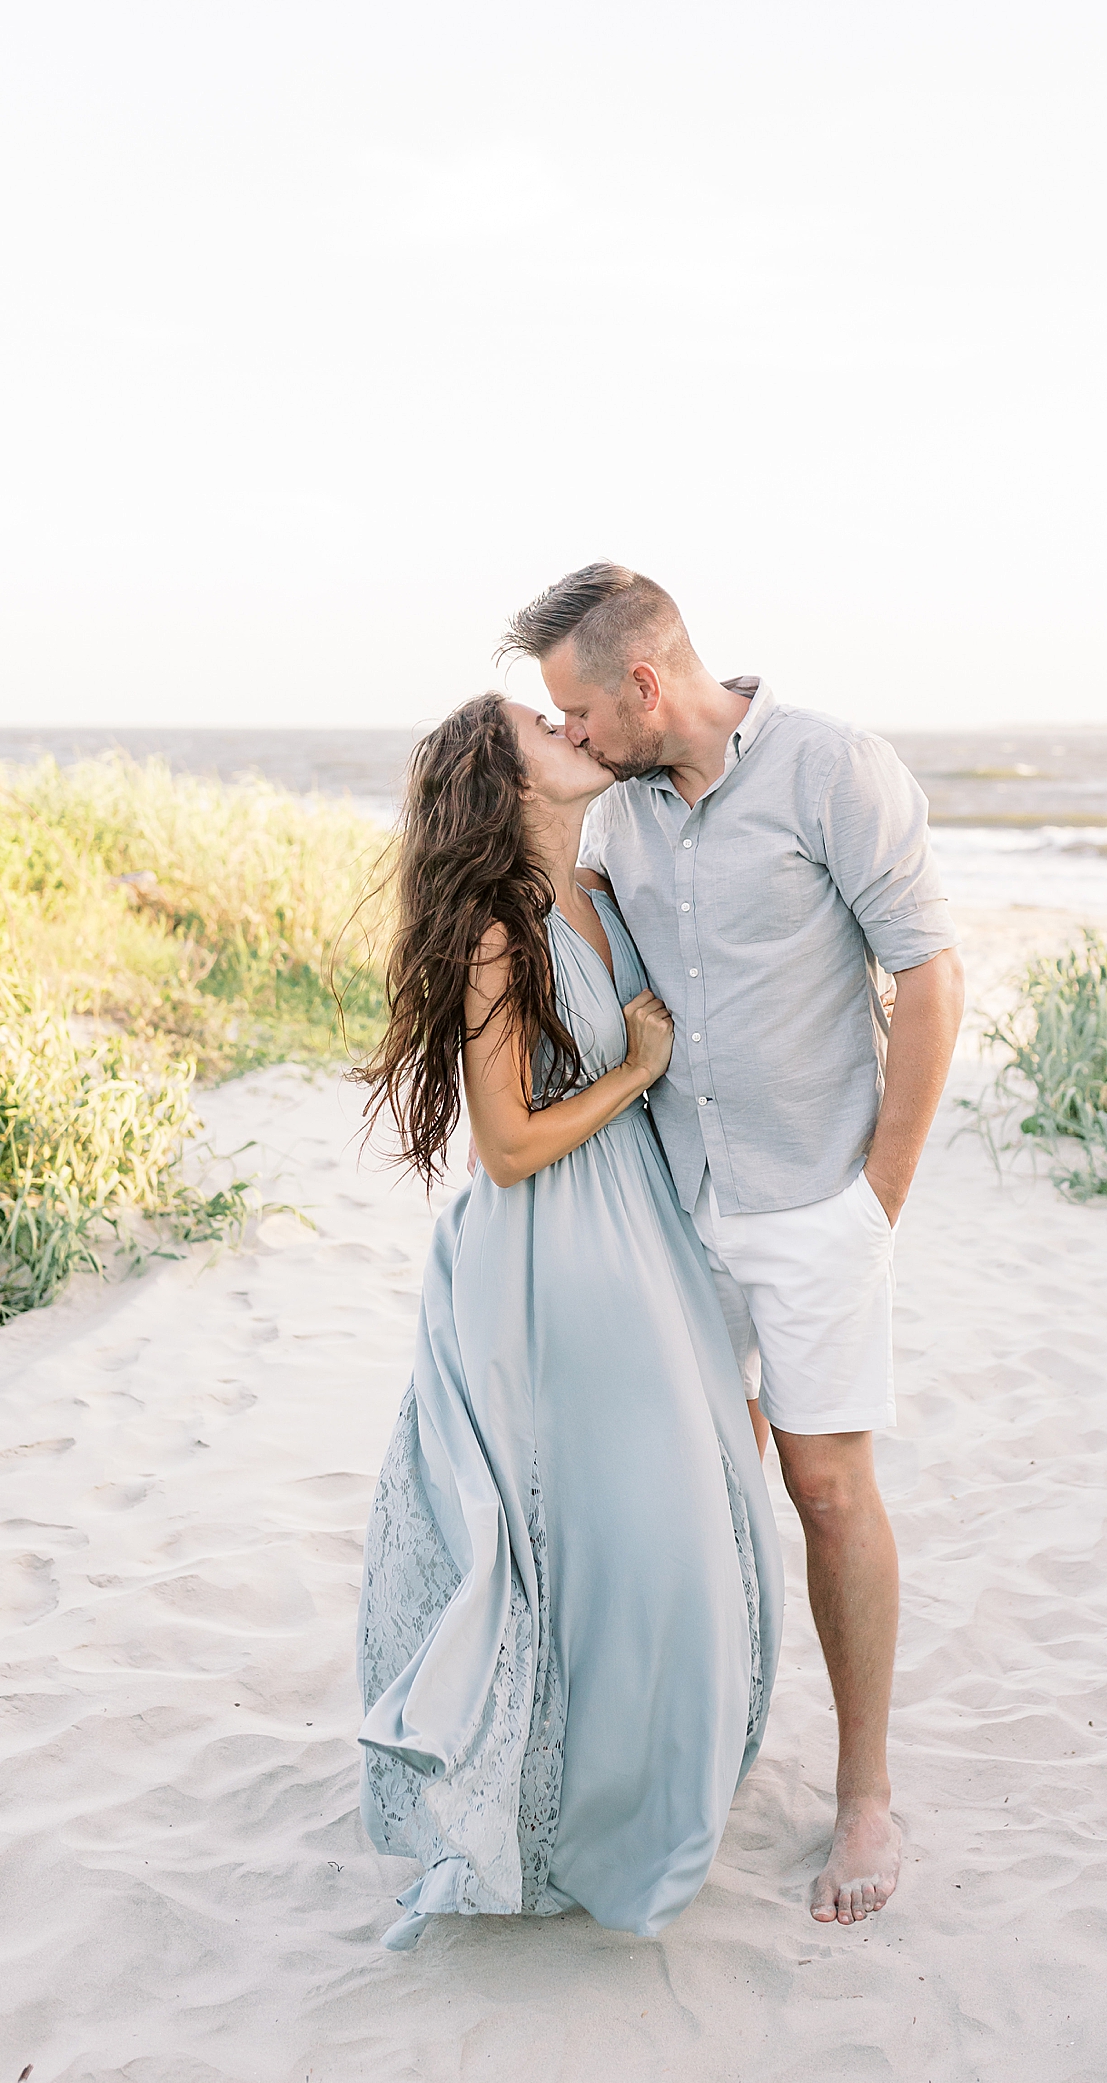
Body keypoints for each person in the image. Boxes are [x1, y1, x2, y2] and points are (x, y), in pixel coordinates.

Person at [497, 563, 966, 1928]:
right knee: (684, 1494)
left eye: (578, 710)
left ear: (644, 684)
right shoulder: (610, 818)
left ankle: (864, 1793)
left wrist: (876, 1199)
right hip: (672, 1211)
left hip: (817, 1205)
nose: (571, 734)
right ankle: (679, 1763)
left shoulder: (834, 770)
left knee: (825, 1492)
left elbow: (929, 979)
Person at [351, 692, 783, 1952]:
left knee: (671, 1517)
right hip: (557, 1254)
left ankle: (636, 1794)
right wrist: (633, 1074)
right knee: (609, 1525)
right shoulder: (497, 931)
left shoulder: (594, 885)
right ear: (505, 776)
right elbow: (502, 1146)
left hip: (640, 1234)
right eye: (542, 723)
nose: (569, 724)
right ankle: (566, 1819)